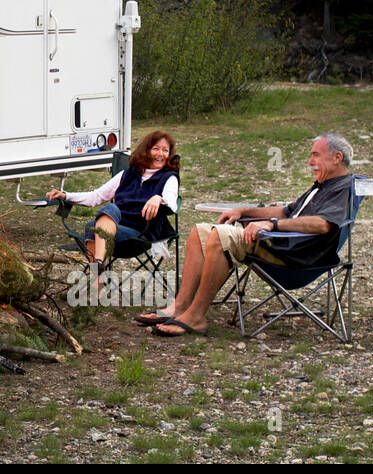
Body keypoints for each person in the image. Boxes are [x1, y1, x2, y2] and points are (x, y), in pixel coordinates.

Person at [138, 132, 356, 337]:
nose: (310, 162)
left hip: (296, 256)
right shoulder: (320, 186)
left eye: (315, 155)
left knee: (222, 235)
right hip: (280, 245)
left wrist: (273, 225)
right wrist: (243, 211)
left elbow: (323, 225)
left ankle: (196, 317)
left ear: (337, 158)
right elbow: (286, 211)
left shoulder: (342, 187)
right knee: (200, 232)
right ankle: (180, 307)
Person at [46, 130, 180, 270]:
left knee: (96, 226)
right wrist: (66, 195)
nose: (160, 154)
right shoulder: (128, 173)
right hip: (116, 226)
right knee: (102, 217)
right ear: (146, 150)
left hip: (141, 234)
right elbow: (96, 196)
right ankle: (98, 284)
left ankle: (97, 264)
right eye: (156, 149)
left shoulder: (168, 178)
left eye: (165, 150)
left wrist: (159, 199)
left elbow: (172, 204)